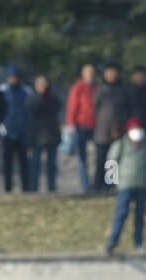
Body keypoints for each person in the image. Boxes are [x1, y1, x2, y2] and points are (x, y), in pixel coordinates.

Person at [104, 117, 146, 253]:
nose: (136, 131)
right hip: (125, 185)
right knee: (121, 213)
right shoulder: (121, 143)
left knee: (140, 215)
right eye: (134, 128)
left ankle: (138, 242)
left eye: (138, 128)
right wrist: (111, 183)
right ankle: (112, 241)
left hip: (143, 185)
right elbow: (111, 162)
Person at [93, 62, 132, 194]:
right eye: (109, 72)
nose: (111, 75)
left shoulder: (123, 89)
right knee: (100, 158)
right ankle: (97, 185)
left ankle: (110, 185)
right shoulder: (101, 89)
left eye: (114, 72)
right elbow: (95, 106)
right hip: (102, 130)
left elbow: (127, 108)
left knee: (113, 159)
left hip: (118, 129)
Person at [0, 65, 33, 193]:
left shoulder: (26, 91)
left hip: (22, 131)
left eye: (16, 77)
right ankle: (8, 188)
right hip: (7, 132)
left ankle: (26, 188)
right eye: (11, 77)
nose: (14, 79)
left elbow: (29, 112)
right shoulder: (2, 90)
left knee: (24, 162)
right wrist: (2, 129)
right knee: (7, 163)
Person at [65, 63, 98, 192]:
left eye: (93, 72)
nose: (91, 75)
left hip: (98, 125)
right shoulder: (77, 87)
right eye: (88, 72)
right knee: (82, 157)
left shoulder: (98, 87)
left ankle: (106, 182)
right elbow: (72, 106)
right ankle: (85, 185)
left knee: (103, 156)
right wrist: (71, 124)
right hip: (81, 125)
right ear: (83, 74)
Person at [27, 75, 62, 192]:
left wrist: (46, 98)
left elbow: (57, 106)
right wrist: (42, 98)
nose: (42, 86)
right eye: (40, 84)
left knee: (51, 165)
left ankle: (52, 189)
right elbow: (34, 110)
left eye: (44, 83)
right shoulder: (31, 99)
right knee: (35, 165)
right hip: (37, 137)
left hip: (52, 136)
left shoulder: (53, 99)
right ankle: (33, 189)